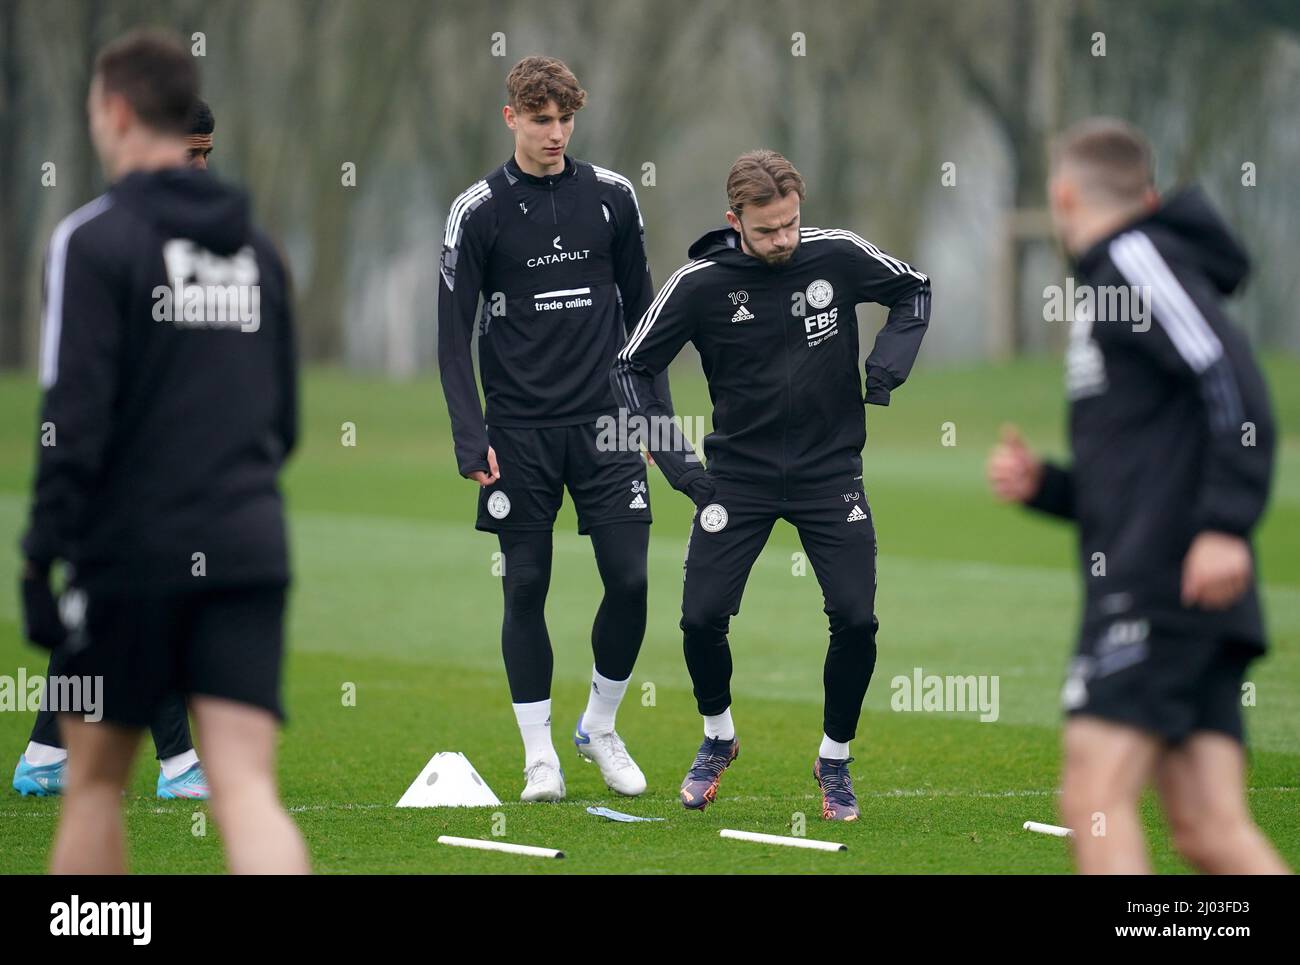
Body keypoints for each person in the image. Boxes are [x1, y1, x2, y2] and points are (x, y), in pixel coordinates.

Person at [20, 29, 308, 873]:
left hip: (130, 554)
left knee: (96, 787)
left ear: (114, 112)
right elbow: (284, 422)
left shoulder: (92, 239)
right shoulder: (256, 247)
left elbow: (69, 423)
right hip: (251, 544)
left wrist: (40, 561)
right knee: (247, 789)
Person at [987, 117, 1289, 874]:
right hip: (1170, 581)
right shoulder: (1113, 284)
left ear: (1062, 194)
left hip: (1162, 583)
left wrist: (1225, 525)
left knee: (1092, 791)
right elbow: (1140, 465)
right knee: (1209, 830)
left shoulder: (1131, 258)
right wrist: (1048, 487)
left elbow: (1233, 381)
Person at [611, 150, 930, 820]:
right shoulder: (699, 284)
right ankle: (718, 738)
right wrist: (682, 468)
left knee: (856, 617)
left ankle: (835, 758)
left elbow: (913, 289)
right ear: (736, 221)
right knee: (700, 618)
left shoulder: (837, 254)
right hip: (738, 478)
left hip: (829, 472)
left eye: (790, 224)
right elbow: (631, 367)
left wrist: (887, 366)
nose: (783, 239)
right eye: (766, 230)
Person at [438, 56, 672, 802]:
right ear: (511, 117)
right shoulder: (478, 209)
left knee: (631, 580)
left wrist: (650, 418)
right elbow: (450, 335)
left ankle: (598, 725)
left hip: (606, 422)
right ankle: (540, 753)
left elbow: (648, 320)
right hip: (521, 431)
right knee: (526, 586)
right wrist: (469, 434)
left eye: (565, 119)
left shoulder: (611, 197)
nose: (555, 133)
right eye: (541, 119)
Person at [12, 97, 222, 803]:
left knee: (103, 608)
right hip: (113, 456)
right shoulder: (97, 240)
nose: (199, 168)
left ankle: (45, 751)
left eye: (207, 155)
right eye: (189, 153)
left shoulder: (194, 241)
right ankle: (179, 764)